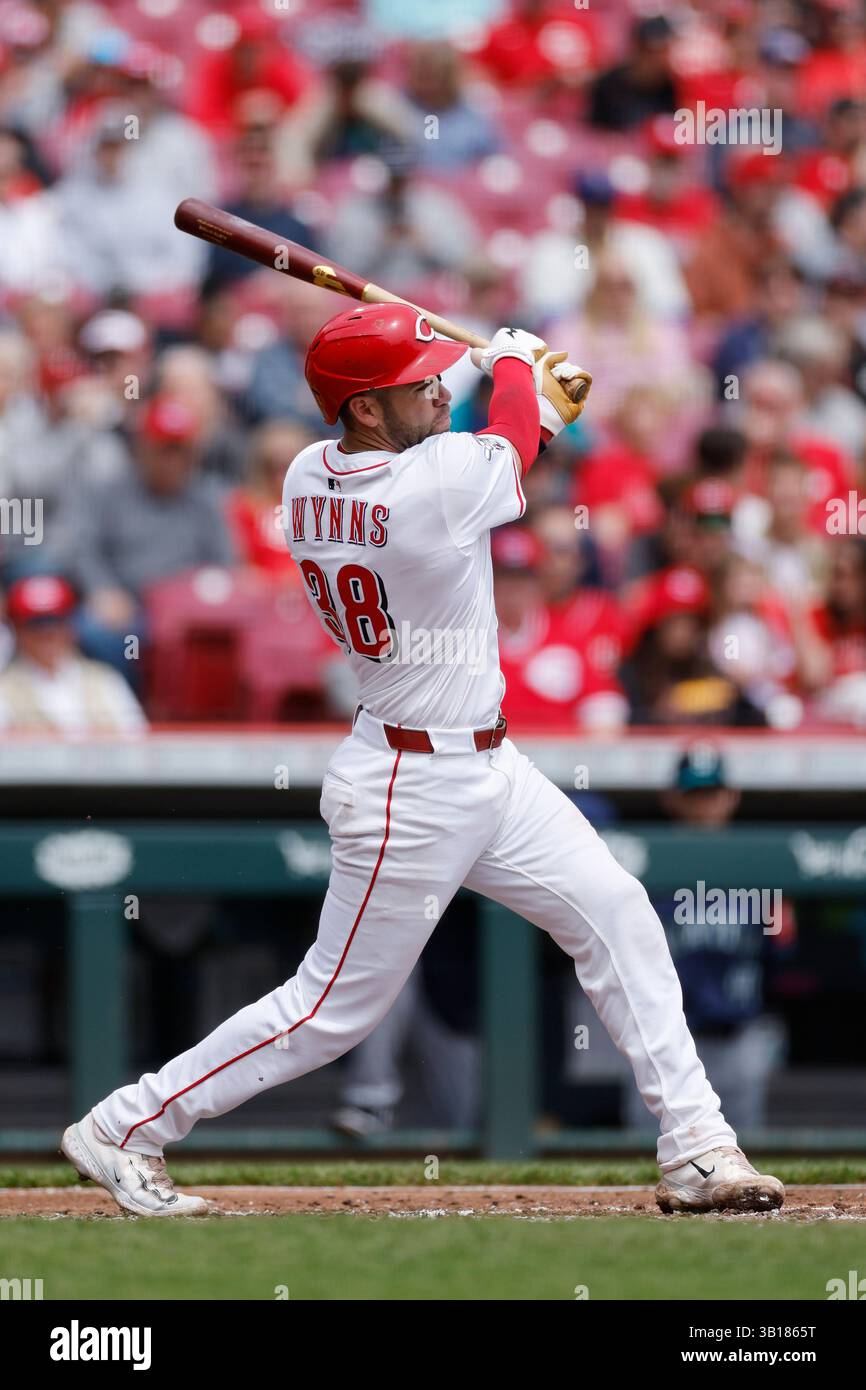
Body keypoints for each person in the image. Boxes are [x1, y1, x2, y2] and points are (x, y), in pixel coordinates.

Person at [61, 304, 783, 1216]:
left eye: (443, 373)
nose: (443, 386)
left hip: (486, 766)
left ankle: (698, 1147)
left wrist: (527, 395)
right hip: (412, 781)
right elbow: (504, 445)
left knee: (616, 913)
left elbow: (494, 446)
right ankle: (126, 1125)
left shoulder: (306, 474)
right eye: (419, 383)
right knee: (328, 1012)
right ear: (363, 410)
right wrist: (518, 364)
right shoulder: (426, 485)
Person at [0, 574, 146, 734]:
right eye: (36, 624)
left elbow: (137, 742)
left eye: (57, 621)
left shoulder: (104, 680)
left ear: (71, 625)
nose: (48, 633)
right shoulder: (5, 690)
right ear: (17, 630)